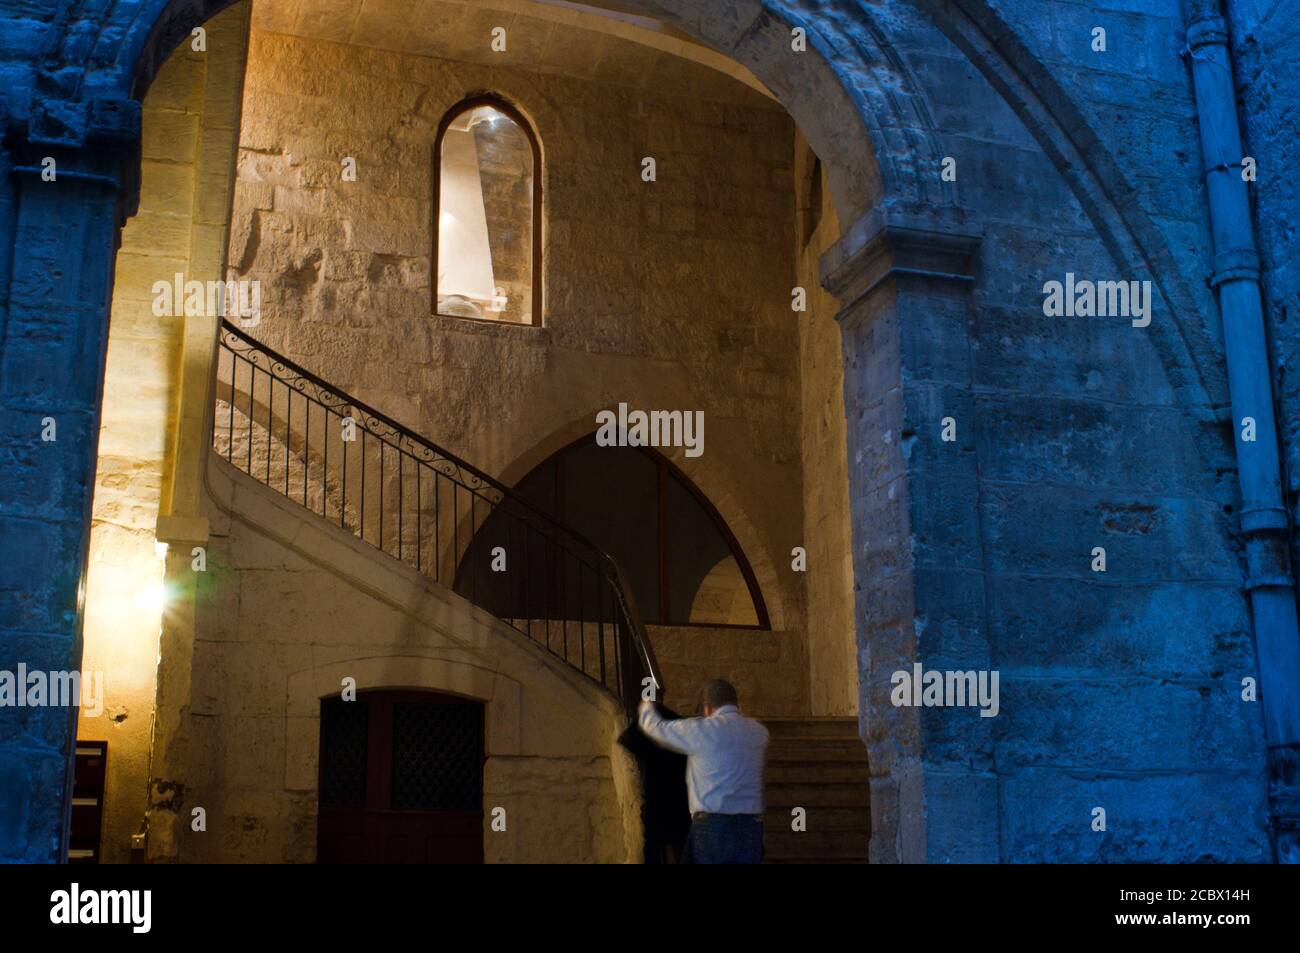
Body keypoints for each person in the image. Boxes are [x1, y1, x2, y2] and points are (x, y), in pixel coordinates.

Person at [638, 678, 769, 864]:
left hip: (712, 826)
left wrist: (646, 704)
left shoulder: (703, 729)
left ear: (707, 708)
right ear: (736, 703)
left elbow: (655, 728)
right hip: (751, 827)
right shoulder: (758, 733)